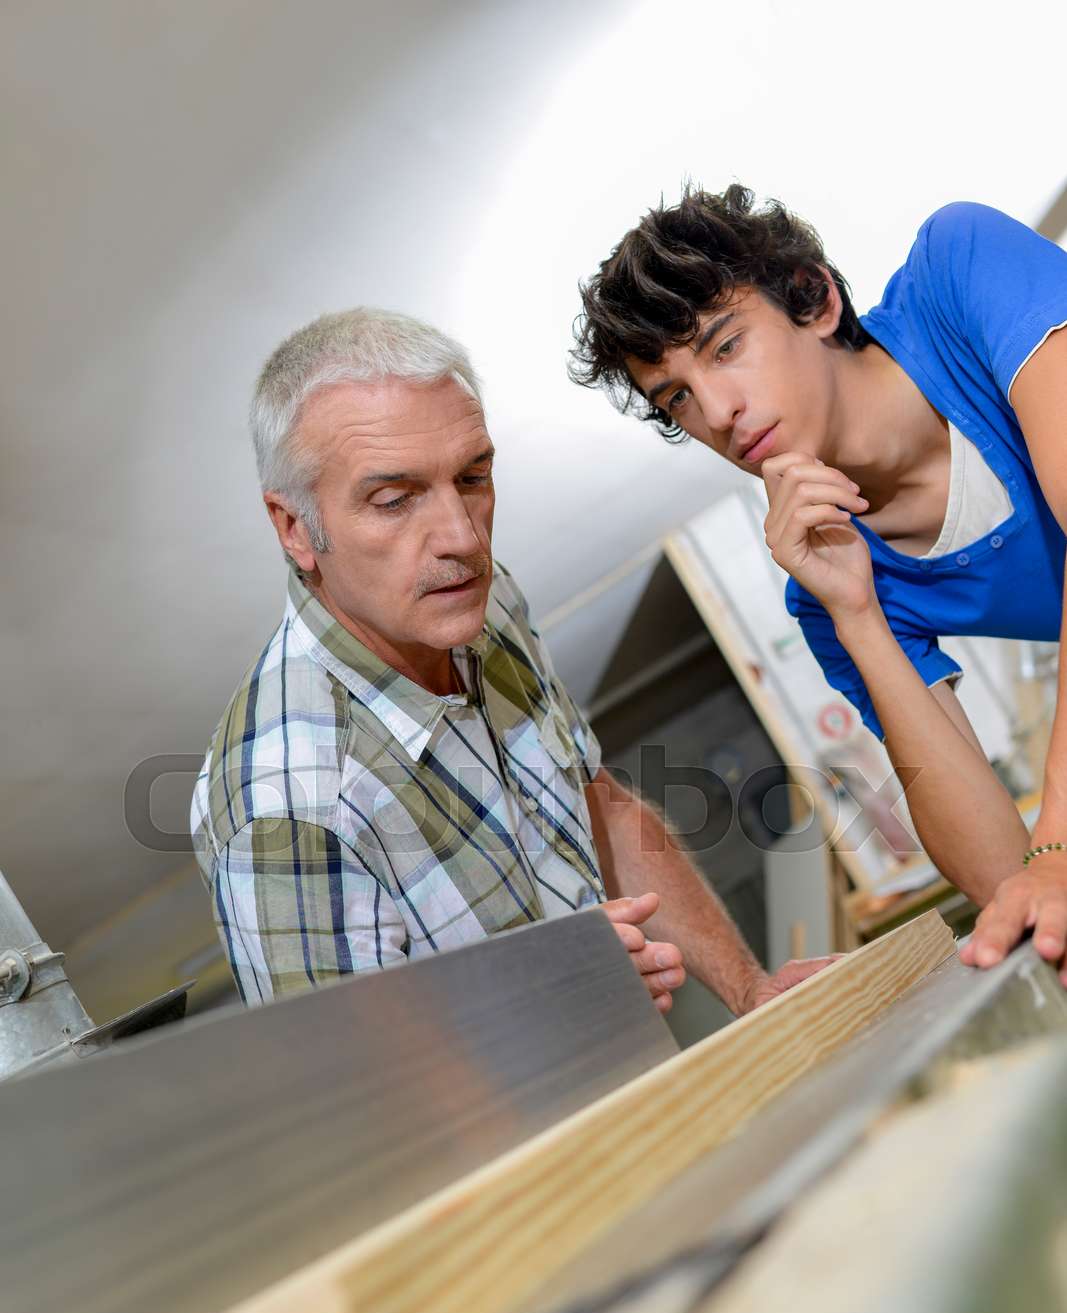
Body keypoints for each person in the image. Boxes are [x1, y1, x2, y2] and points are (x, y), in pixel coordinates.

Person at [191, 307, 828, 1012]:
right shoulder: (281, 803)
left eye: (471, 477)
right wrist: (547, 1005)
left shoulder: (478, 606)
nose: (460, 537)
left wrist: (753, 991)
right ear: (294, 528)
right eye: (395, 499)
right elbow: (356, 1102)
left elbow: (601, 809)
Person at [572, 186, 1067, 980]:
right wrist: (858, 613)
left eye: (724, 347)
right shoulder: (825, 585)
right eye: (678, 399)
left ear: (815, 299)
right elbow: (998, 876)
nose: (720, 412)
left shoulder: (962, 270)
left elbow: (1040, 860)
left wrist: (1057, 844)